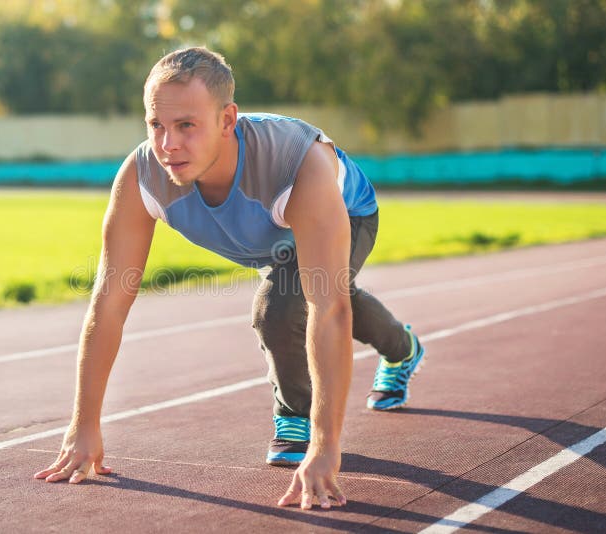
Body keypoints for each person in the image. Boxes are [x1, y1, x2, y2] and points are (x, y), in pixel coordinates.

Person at [33, 47, 425, 510]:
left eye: (186, 126)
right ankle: (404, 346)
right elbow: (109, 303)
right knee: (303, 290)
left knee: (285, 304)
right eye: (155, 125)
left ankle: (296, 412)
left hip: (346, 214)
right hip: (265, 235)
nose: (168, 144)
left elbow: (330, 309)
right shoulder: (142, 176)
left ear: (227, 120)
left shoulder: (298, 165)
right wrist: (84, 424)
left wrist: (325, 445)